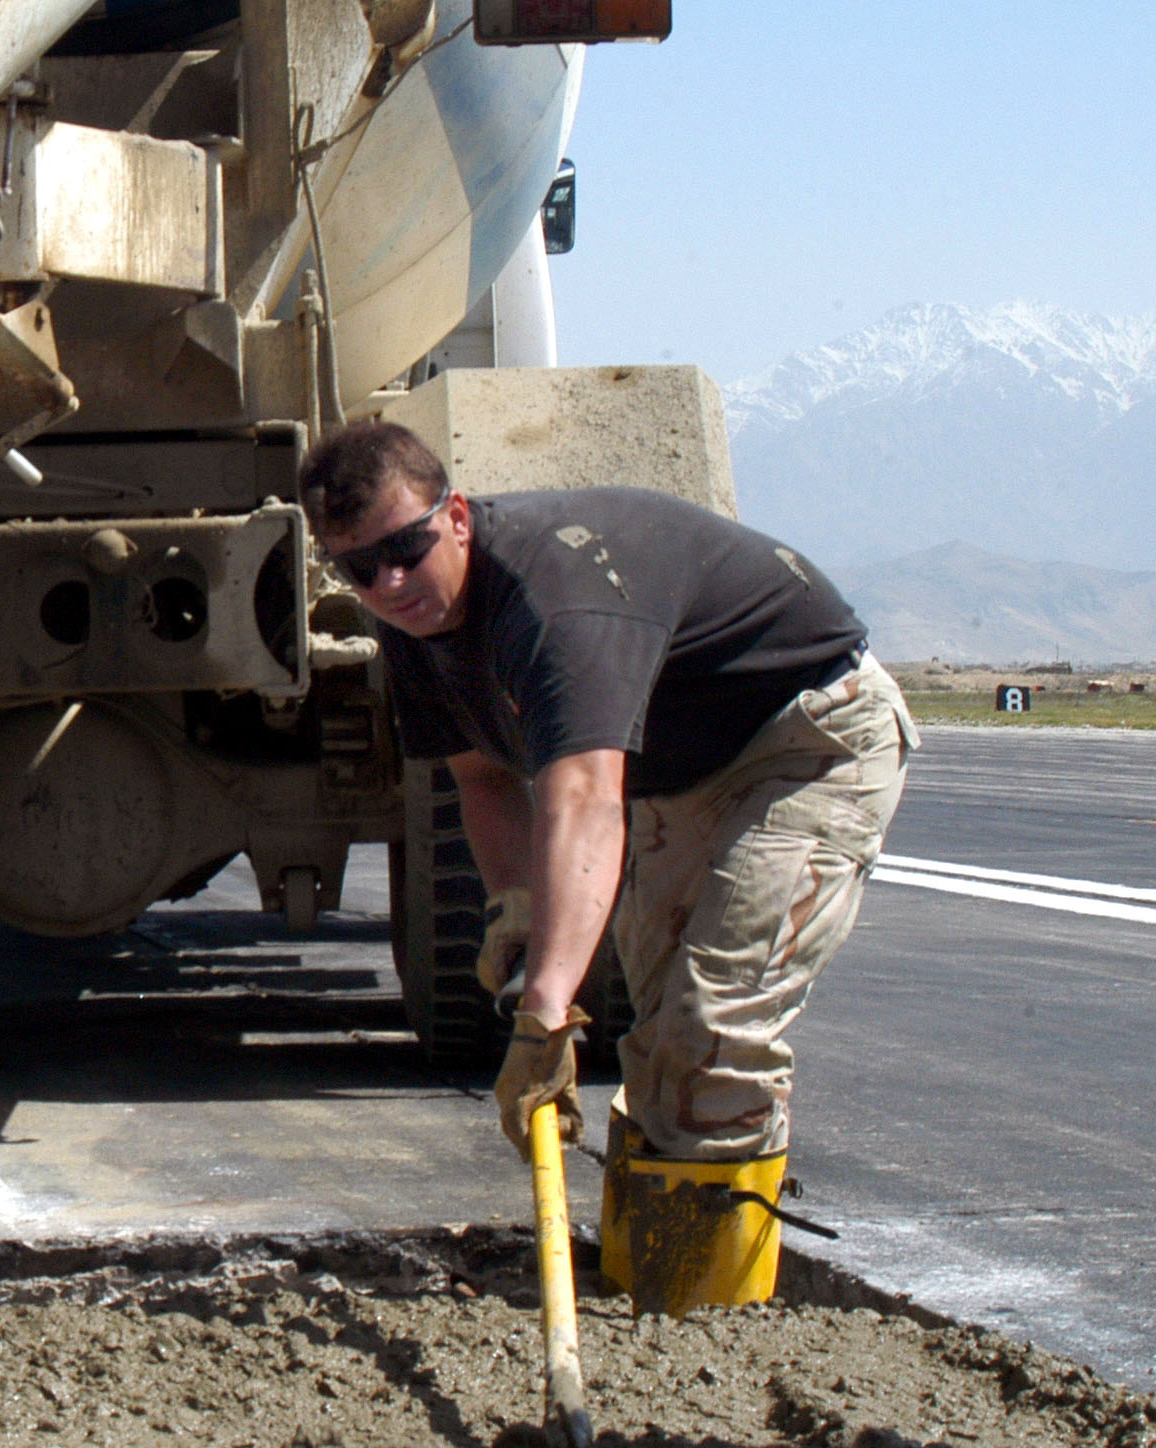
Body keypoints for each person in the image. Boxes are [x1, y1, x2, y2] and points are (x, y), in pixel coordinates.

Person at [300, 421, 915, 1311]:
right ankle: (651, 1281)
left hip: (808, 739)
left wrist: (545, 1018)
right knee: (657, 1037)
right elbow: (483, 777)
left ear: (457, 517)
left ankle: (712, 1320)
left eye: (405, 548)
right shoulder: (411, 624)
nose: (388, 582)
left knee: (712, 1031)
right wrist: (516, 907)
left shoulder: (554, 605)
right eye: (358, 568)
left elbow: (584, 800)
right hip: (679, 772)